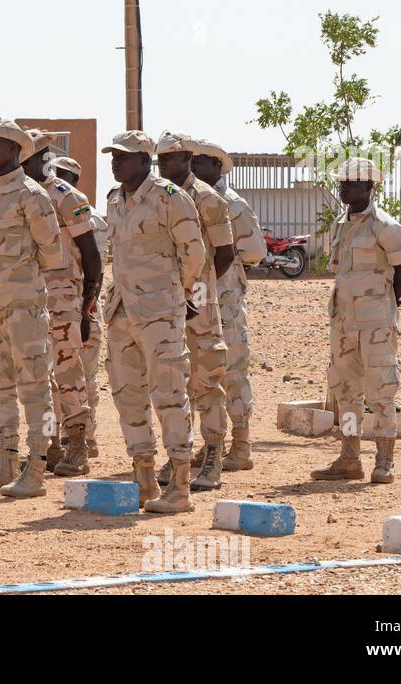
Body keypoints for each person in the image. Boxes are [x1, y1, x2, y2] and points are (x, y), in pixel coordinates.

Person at [102, 131, 206, 513]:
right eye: (113, 156)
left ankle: (180, 487)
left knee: (169, 396)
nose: (116, 162)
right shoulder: (114, 200)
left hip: (160, 311)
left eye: (124, 157)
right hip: (122, 311)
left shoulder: (169, 198)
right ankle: (144, 481)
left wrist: (179, 292)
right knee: (128, 396)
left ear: (146, 161)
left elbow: (194, 253)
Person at [0, 118, 66, 498]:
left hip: (24, 306)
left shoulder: (32, 195)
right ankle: (7, 458)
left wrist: (23, 285)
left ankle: (38, 467)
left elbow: (53, 253)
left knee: (35, 388)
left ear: (15, 150)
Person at [312, 157, 401, 484]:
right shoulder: (341, 224)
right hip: (343, 324)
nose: (344, 187)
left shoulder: (386, 226)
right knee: (346, 392)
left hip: (375, 325)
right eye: (342, 182)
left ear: (370, 187)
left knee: (381, 390)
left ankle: (385, 462)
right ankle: (349, 457)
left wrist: (388, 303)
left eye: (353, 183)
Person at [21, 129, 103, 477]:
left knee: (69, 374)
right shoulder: (15, 195)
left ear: (41, 158)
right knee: (38, 377)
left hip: (65, 297)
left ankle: (78, 447)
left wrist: (88, 305)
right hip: (28, 297)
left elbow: (92, 254)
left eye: (22, 158)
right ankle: (48, 447)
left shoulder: (67, 196)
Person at [155, 132, 234, 491]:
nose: (164, 164)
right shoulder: (158, 195)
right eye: (160, 158)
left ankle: (214, 452)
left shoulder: (208, 199)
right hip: (166, 300)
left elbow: (225, 253)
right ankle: (178, 456)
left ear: (187, 157)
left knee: (207, 378)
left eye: (171, 158)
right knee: (174, 380)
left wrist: (198, 293)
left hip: (199, 300)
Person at [192, 138, 267, 470]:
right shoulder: (189, 201)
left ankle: (241, 445)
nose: (192, 168)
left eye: (199, 163)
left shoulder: (233, 205)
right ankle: (212, 442)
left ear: (216, 167)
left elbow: (255, 251)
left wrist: (231, 263)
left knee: (234, 368)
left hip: (225, 298)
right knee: (203, 369)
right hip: (199, 296)